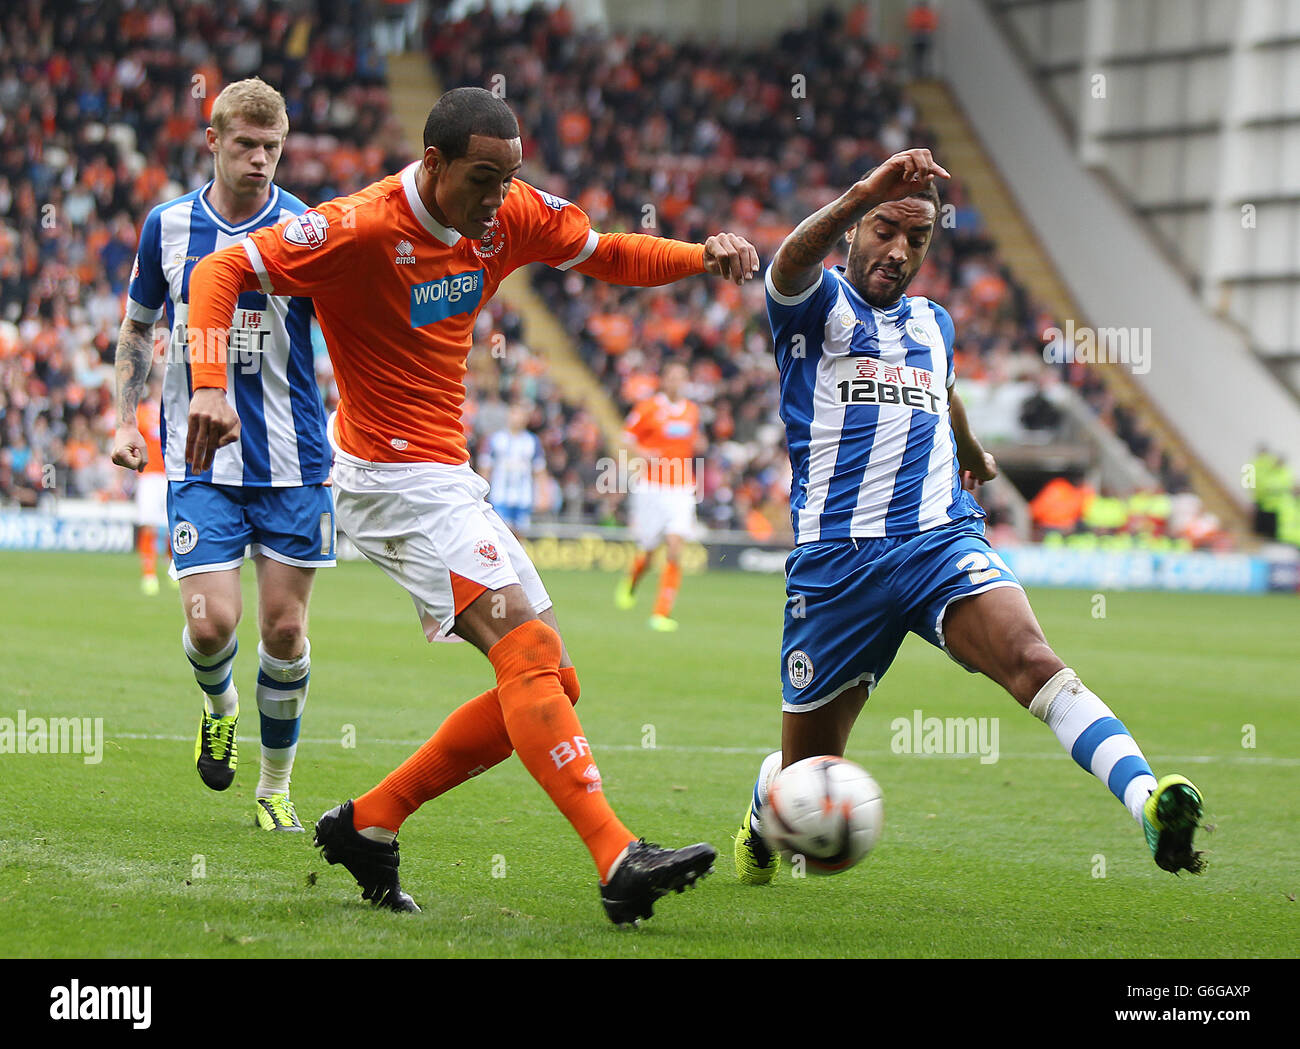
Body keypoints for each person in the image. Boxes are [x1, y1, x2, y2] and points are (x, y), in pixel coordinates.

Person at [182, 87, 760, 924]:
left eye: (509, 179)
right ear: (433, 164)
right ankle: (616, 856)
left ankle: (369, 822)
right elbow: (220, 267)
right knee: (526, 652)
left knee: (553, 675)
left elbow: (604, 253)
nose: (496, 200)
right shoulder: (362, 225)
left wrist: (699, 256)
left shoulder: (507, 211)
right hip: (385, 479)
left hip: (444, 474)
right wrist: (208, 386)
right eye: (482, 180)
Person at [733, 148, 1205, 885]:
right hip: (837, 564)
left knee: (1034, 661)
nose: (898, 250)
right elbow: (786, 265)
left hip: (937, 541)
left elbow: (941, 386)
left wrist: (970, 446)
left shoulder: (934, 323)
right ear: (857, 229)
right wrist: (863, 192)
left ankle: (1147, 800)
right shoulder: (816, 305)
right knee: (808, 790)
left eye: (916, 239)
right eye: (885, 229)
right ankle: (764, 815)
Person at [112, 78, 334, 833]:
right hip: (199, 458)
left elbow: (343, 330)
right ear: (213, 141)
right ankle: (219, 706)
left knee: (283, 630)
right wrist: (124, 419)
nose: (261, 159)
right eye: (246, 144)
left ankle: (275, 786)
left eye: (273, 146)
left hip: (294, 460)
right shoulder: (167, 226)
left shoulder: (308, 228)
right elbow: (138, 328)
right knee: (211, 626)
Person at [614, 359, 701, 631]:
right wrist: (644, 453)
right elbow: (626, 438)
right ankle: (632, 581)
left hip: (682, 487)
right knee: (649, 551)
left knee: (675, 548)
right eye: (672, 377)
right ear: (664, 380)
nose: (677, 382)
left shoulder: (692, 411)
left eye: (681, 377)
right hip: (652, 487)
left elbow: (689, 443)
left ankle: (661, 613)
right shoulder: (648, 407)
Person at [478, 401, 547, 536]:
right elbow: (486, 467)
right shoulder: (496, 439)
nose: (518, 418)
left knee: (520, 535)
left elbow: (539, 470)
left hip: (524, 497)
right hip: (500, 496)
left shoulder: (532, 441)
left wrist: (543, 495)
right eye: (515, 413)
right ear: (508, 415)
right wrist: (481, 493)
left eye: (522, 414)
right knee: (501, 534)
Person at [133, 371, 174, 595]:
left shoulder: (173, 411)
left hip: (170, 474)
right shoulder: (141, 412)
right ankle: (148, 574)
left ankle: (172, 566)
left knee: (171, 525)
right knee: (148, 524)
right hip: (148, 475)